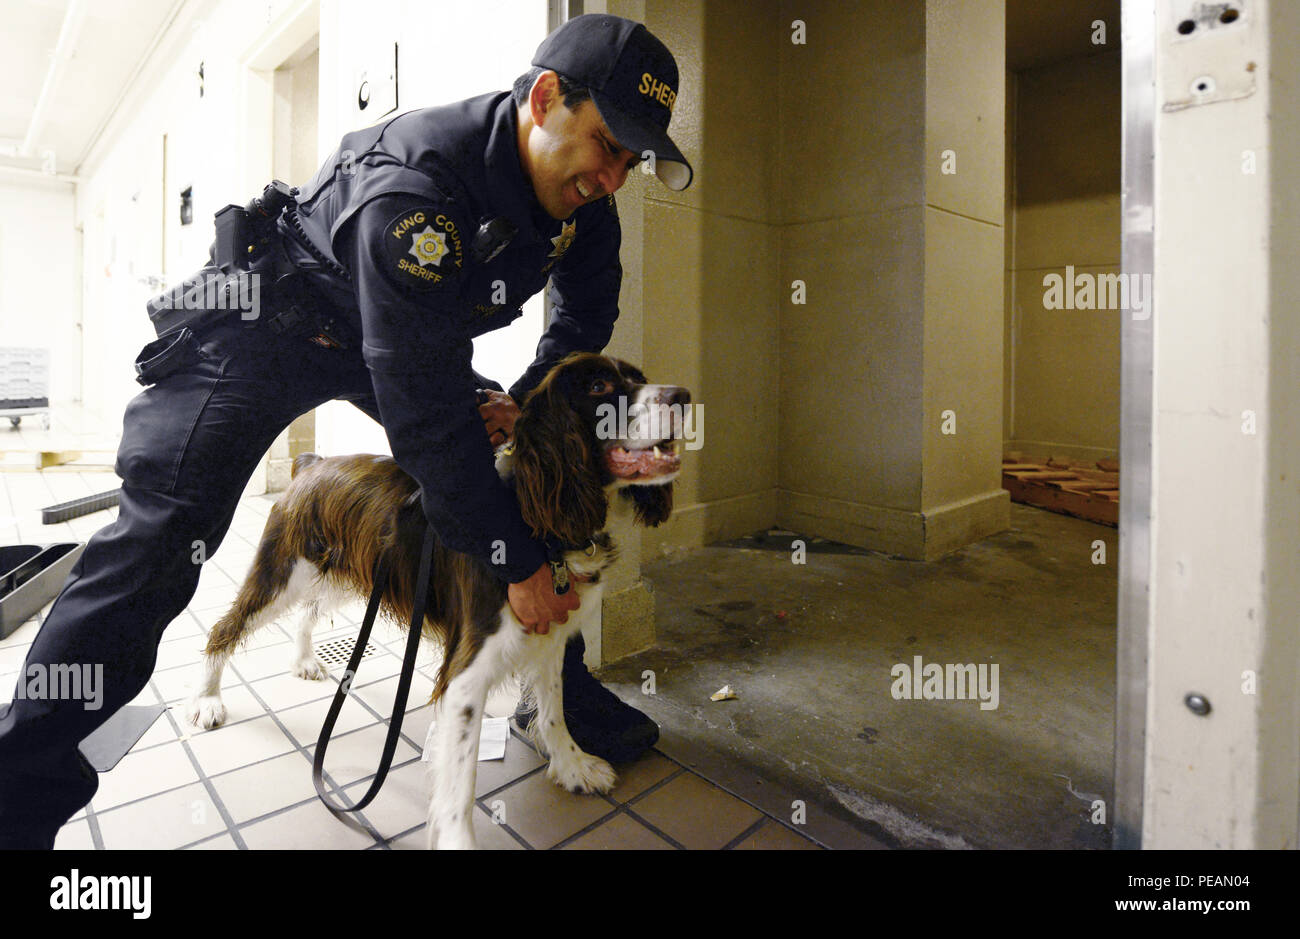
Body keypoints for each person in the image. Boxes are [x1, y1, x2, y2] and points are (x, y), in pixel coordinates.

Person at [0, 13, 692, 850]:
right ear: (545, 100)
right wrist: (511, 559)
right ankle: (17, 800)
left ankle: (553, 707)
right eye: (606, 145)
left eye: (632, 160)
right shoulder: (415, 189)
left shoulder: (587, 203)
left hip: (402, 335)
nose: (614, 176)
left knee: (533, 476)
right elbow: (428, 418)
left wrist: (526, 411)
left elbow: (583, 319)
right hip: (270, 327)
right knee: (156, 543)